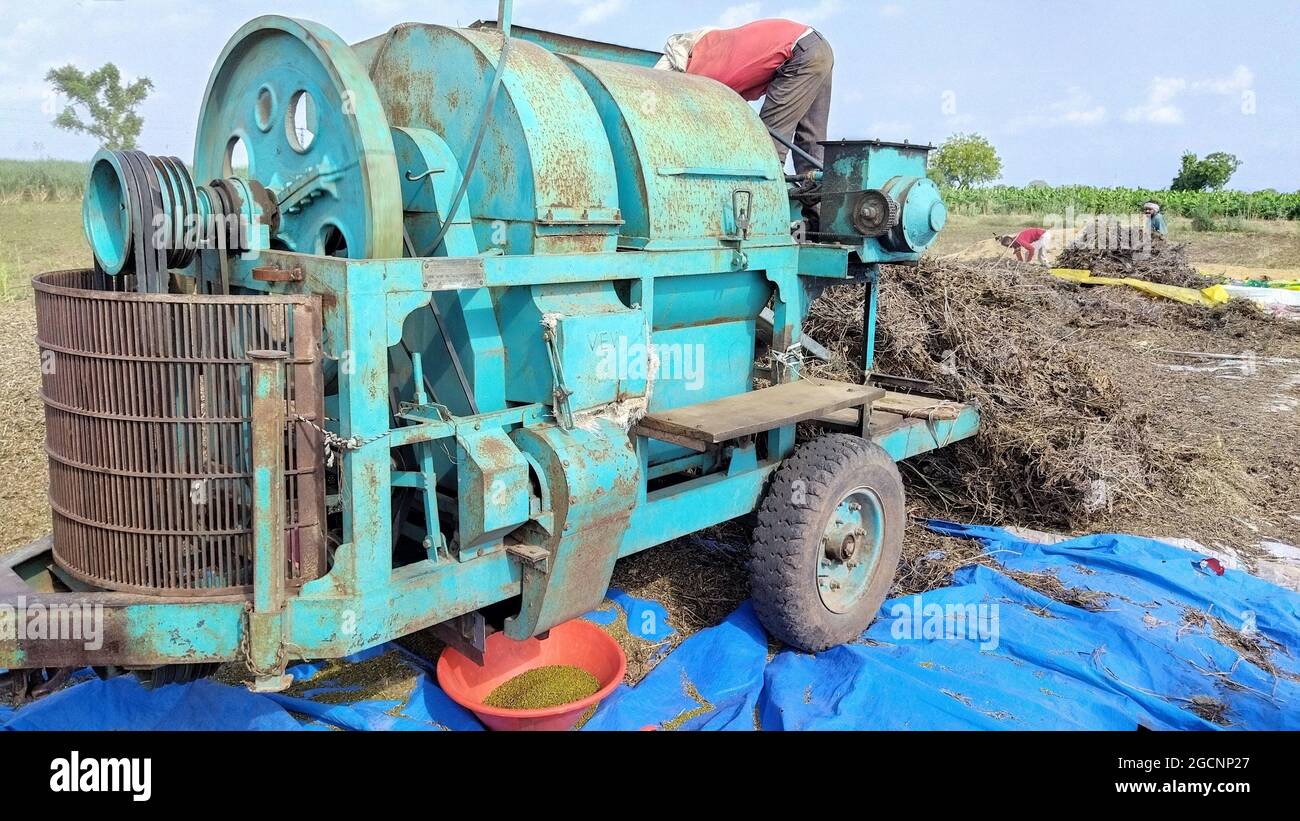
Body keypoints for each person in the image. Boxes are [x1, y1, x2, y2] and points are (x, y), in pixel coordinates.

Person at [656, 19, 833, 176]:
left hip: (798, 52)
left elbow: (710, 124)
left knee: (767, 151)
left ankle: (766, 205)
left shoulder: (701, 73)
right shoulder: (716, 46)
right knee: (812, 152)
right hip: (817, 46)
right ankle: (818, 210)